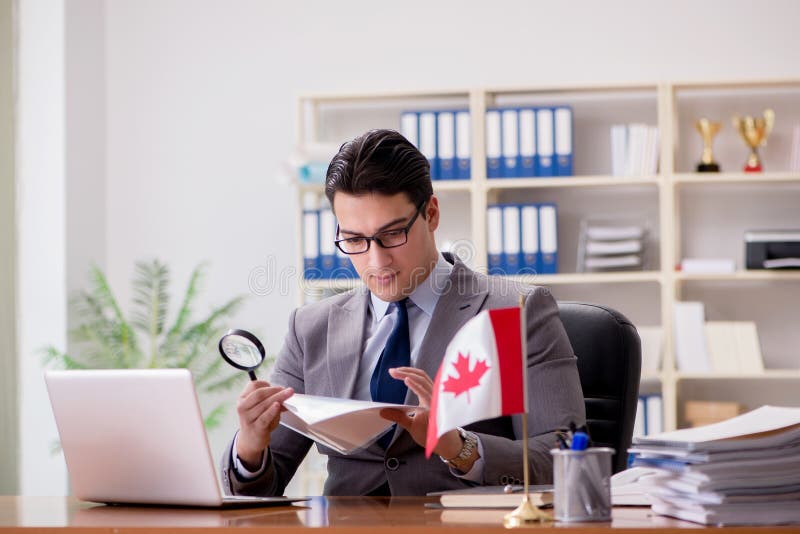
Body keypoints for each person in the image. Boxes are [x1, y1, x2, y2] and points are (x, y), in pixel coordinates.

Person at [221, 129, 585, 497]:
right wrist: (250, 448)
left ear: (431, 214)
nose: (376, 261)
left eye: (393, 234)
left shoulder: (514, 312)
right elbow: (259, 488)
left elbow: (567, 457)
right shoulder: (311, 327)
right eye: (354, 240)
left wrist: (458, 447)